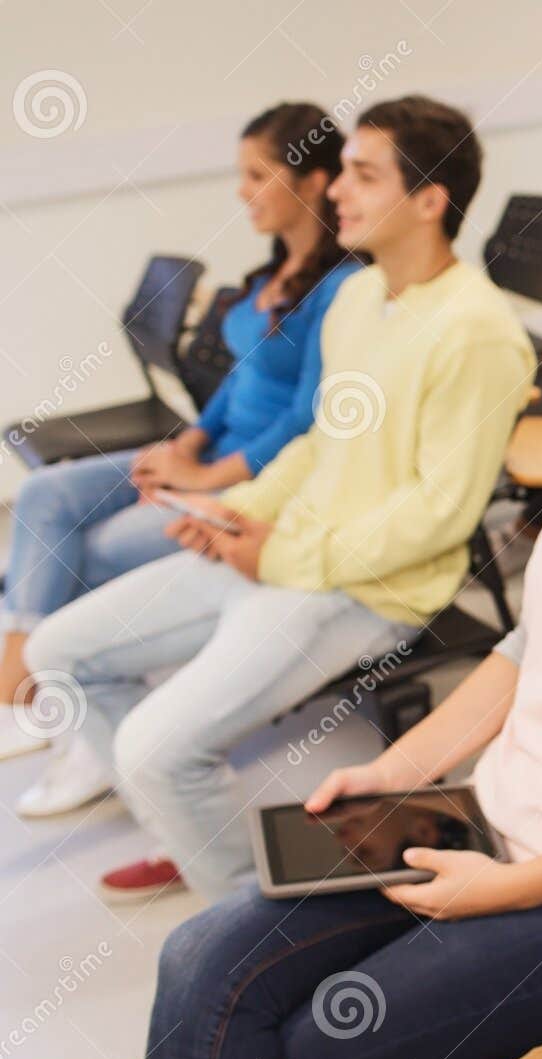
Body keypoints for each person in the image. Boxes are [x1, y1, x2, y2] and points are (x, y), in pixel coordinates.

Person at [144, 165, 542, 1059]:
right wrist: (397, 775)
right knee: (200, 957)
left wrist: (508, 887)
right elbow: (530, 646)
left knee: (322, 1043)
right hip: (487, 817)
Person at [25, 96, 533, 903]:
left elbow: (439, 513)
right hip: (282, 553)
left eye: (364, 175)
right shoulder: (361, 297)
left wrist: (282, 550)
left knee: (154, 750)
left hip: (367, 589)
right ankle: (192, 832)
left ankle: (251, 922)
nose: (337, 189)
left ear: (430, 200)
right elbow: (322, 439)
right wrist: (244, 508)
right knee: (57, 653)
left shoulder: (477, 330)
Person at [0, 103, 359, 806]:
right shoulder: (269, 276)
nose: (241, 191)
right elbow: (236, 387)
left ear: (313, 181)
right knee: (46, 496)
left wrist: (203, 476)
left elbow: (306, 418)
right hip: (212, 453)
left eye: (257, 175)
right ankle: (32, 675)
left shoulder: (341, 288)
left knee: (93, 550)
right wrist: (184, 447)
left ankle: (66, 714)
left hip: (252, 480)